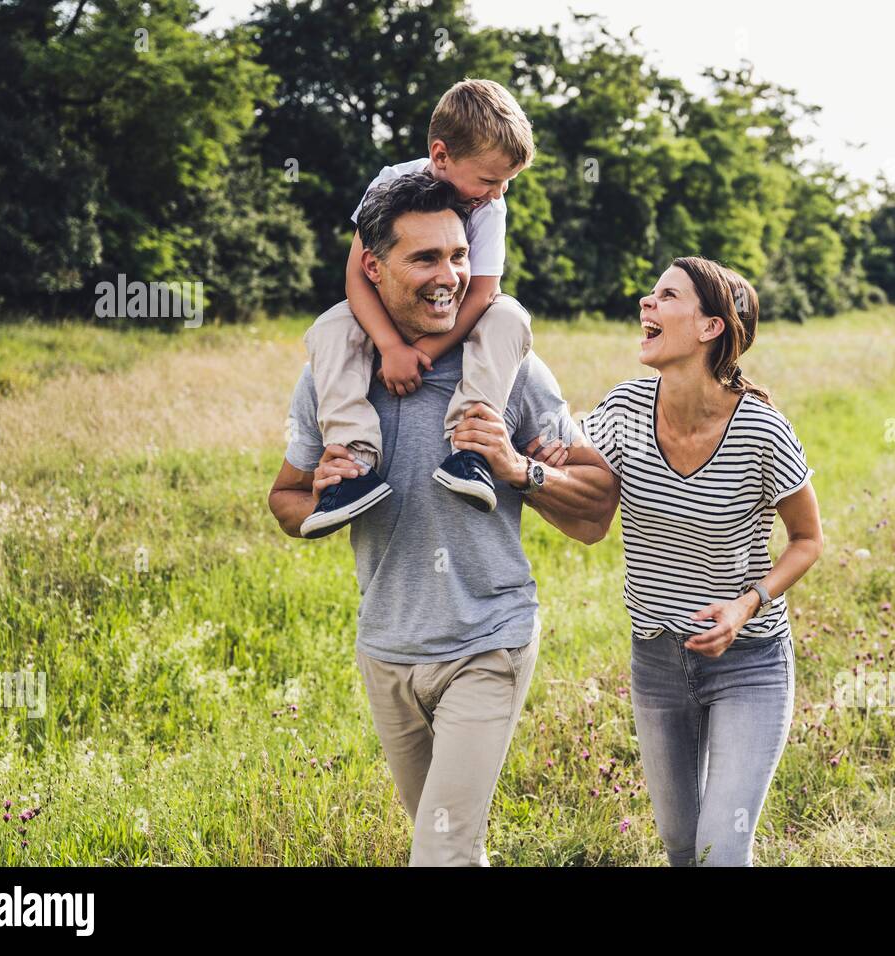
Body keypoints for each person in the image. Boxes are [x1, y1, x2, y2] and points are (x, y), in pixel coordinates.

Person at [267, 173, 617, 865]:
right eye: (426, 259)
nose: (451, 276)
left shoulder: (509, 367)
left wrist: (520, 470)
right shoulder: (335, 374)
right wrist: (325, 490)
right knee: (452, 847)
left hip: (489, 639)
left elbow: (597, 509)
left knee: (441, 852)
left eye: (459, 256)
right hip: (387, 649)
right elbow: (284, 499)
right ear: (373, 267)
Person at [571, 256, 825, 866]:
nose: (646, 304)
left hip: (749, 663)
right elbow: (568, 462)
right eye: (651, 294)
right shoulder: (627, 407)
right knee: (683, 850)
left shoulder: (762, 429)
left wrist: (745, 606)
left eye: (666, 295)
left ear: (711, 327)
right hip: (657, 661)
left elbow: (808, 540)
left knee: (719, 851)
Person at [299, 78, 542, 538]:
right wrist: (390, 346)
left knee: (509, 316)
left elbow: (484, 292)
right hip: (392, 316)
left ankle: (468, 450)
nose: (498, 193)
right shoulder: (390, 184)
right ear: (441, 156)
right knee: (332, 327)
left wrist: (426, 351)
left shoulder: (490, 206)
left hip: (451, 317)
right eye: (490, 180)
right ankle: (353, 467)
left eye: (508, 182)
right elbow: (356, 276)